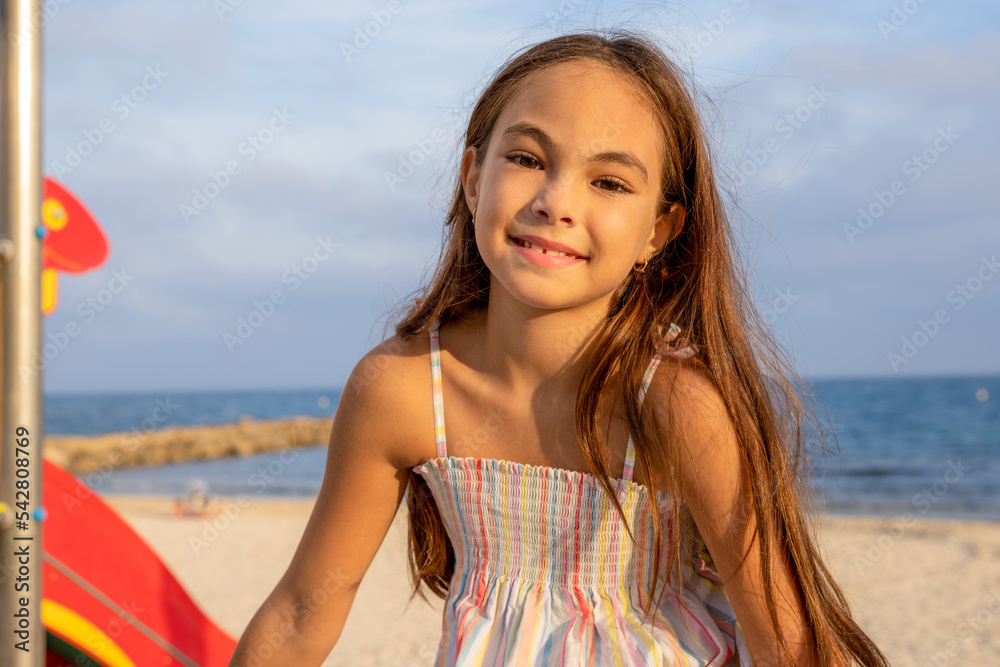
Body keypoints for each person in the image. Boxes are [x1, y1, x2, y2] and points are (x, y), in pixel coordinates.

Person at [229, 30, 890, 666]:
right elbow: (302, 609)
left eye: (609, 182)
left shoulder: (675, 407)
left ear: (658, 230)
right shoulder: (402, 390)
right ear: (471, 176)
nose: (556, 201)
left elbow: (790, 644)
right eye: (526, 159)